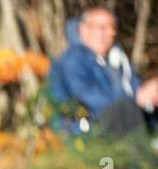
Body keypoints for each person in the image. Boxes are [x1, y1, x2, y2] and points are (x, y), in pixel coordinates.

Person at [50, 8, 158, 138]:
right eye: (99, 27)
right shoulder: (72, 62)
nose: (105, 33)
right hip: (88, 134)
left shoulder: (117, 58)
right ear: (82, 29)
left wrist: (149, 93)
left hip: (123, 125)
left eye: (109, 27)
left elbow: (135, 88)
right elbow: (91, 100)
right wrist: (137, 99)